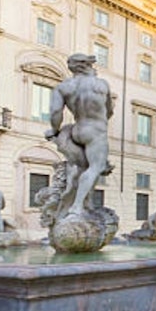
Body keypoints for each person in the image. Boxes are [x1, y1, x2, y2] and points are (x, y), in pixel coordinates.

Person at [44, 53, 113, 218]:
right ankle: (76, 207)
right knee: (96, 167)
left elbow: (55, 112)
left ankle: (80, 201)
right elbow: (109, 111)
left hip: (76, 130)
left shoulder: (63, 87)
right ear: (88, 66)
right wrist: (99, 119)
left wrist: (54, 130)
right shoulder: (102, 85)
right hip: (95, 130)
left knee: (82, 169)